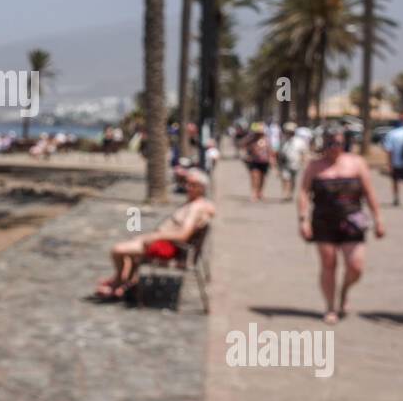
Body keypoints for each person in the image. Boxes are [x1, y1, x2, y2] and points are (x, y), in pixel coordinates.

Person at [299, 127, 385, 324]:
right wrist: (303, 219)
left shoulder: (357, 163)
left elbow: (370, 193)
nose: (334, 147)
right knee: (328, 264)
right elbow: (303, 193)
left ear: (344, 143)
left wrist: (378, 218)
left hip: (353, 220)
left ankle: (344, 290)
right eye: (329, 143)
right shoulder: (315, 166)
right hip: (323, 221)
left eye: (338, 143)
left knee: (356, 266)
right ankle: (331, 306)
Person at [95, 169, 215, 299]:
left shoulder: (195, 208)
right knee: (131, 247)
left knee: (117, 250)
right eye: (187, 183)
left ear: (201, 188)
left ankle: (118, 281)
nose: (187, 187)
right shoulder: (200, 203)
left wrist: (155, 236)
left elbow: (183, 235)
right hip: (167, 243)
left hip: (169, 247)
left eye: (192, 185)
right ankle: (125, 281)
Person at [277, 122, 310, 201]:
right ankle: (285, 193)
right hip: (285, 164)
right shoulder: (282, 141)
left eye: (291, 131)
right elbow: (279, 153)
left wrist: (305, 163)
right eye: (287, 131)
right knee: (285, 178)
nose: (289, 133)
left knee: (293, 180)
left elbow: (304, 153)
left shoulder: (299, 141)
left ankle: (291, 193)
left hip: (296, 164)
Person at [243, 122, 272, 201]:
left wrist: (271, 159)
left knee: (263, 178)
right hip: (254, 161)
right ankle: (254, 193)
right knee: (255, 177)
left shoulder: (266, 139)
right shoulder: (251, 139)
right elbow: (244, 145)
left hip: (264, 161)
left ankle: (260, 192)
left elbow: (269, 150)